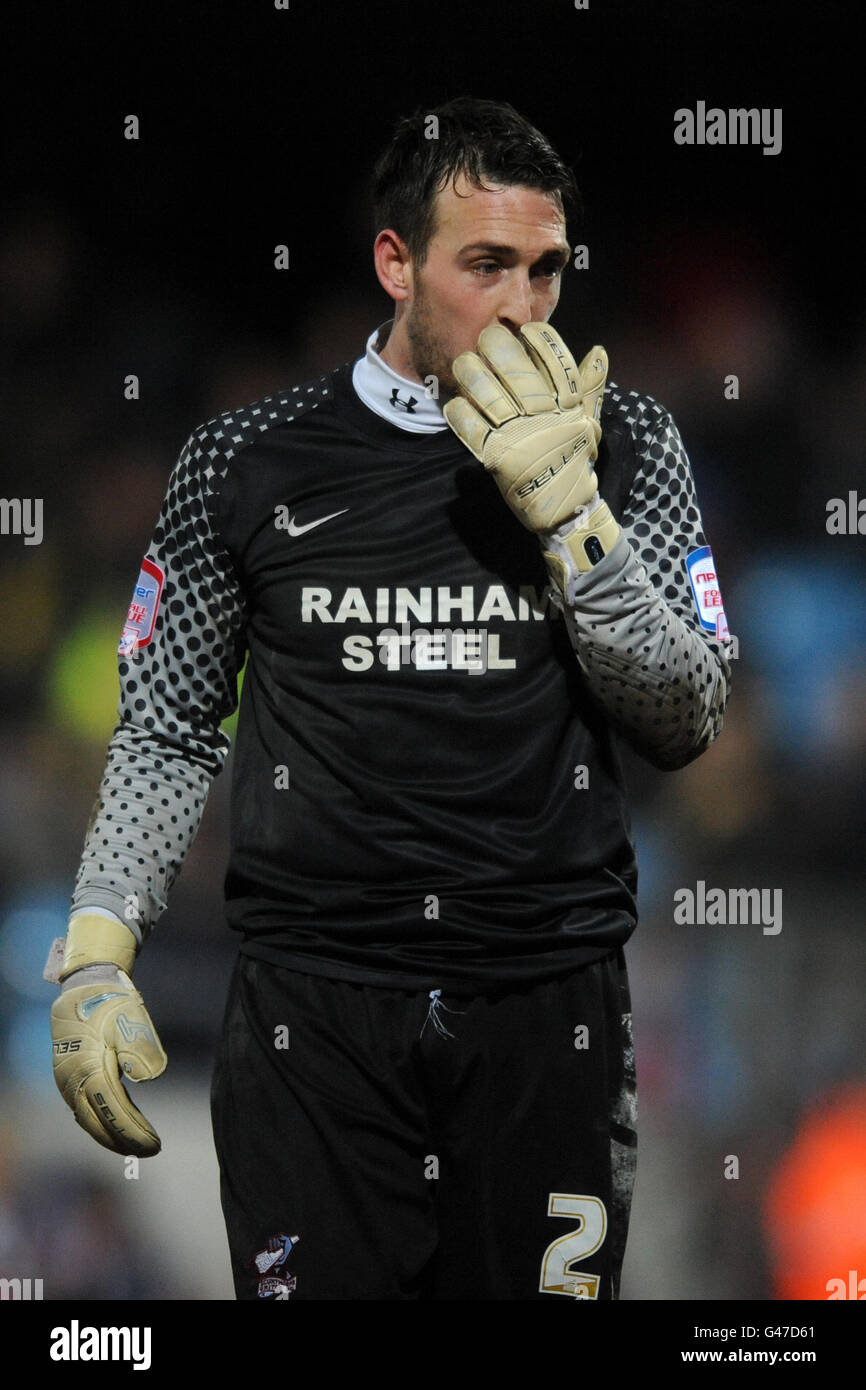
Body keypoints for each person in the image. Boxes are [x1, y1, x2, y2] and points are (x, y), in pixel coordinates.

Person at [49, 97, 732, 1300]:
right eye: (485, 266)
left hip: (545, 1010)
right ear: (394, 262)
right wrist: (98, 949)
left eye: (546, 269)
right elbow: (164, 723)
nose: (524, 305)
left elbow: (685, 718)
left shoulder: (628, 443)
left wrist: (575, 525)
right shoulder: (242, 461)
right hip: (311, 1021)